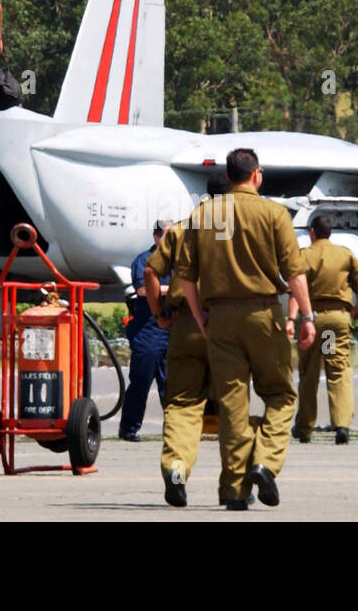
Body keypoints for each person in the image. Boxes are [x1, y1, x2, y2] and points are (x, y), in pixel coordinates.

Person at [176, 148, 315, 510]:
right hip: (263, 315)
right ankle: (265, 462)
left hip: (219, 318)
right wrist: (307, 318)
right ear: (256, 175)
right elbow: (294, 271)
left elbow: (186, 277)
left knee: (232, 407)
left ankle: (235, 491)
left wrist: (201, 317)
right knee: (281, 395)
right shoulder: (273, 213)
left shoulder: (203, 215)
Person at [145, 176, 230, 507]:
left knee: (182, 403)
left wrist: (158, 315)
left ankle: (176, 469)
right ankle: (239, 479)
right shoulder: (242, 230)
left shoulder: (182, 229)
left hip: (185, 325)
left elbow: (151, 273)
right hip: (229, 324)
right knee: (233, 405)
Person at [287, 215, 358, 445]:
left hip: (313, 320)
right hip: (335, 322)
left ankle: (304, 428)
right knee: (338, 370)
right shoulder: (345, 254)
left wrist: (292, 319)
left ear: (312, 232)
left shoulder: (304, 255)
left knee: (309, 373)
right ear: (329, 233)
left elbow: (295, 291)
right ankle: (341, 424)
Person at [119, 220, 171, 442]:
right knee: (141, 382)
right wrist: (177, 288)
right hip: (148, 333)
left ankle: (175, 429)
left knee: (172, 384)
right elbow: (142, 290)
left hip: (171, 331)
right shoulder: (144, 260)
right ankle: (129, 428)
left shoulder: (179, 262)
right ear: (156, 237)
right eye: (166, 236)